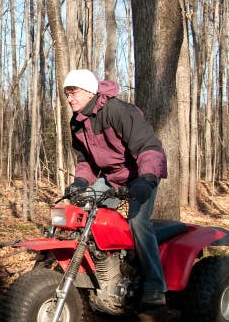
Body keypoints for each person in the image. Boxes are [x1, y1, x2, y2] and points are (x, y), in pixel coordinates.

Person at [62, 69, 169, 308]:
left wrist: (147, 179)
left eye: (73, 92)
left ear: (89, 92)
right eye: (66, 94)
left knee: (138, 221)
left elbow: (148, 147)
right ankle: (101, 273)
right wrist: (80, 182)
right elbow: (85, 162)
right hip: (112, 178)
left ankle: (155, 285)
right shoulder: (77, 122)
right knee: (83, 214)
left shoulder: (118, 111)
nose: (69, 98)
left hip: (141, 173)